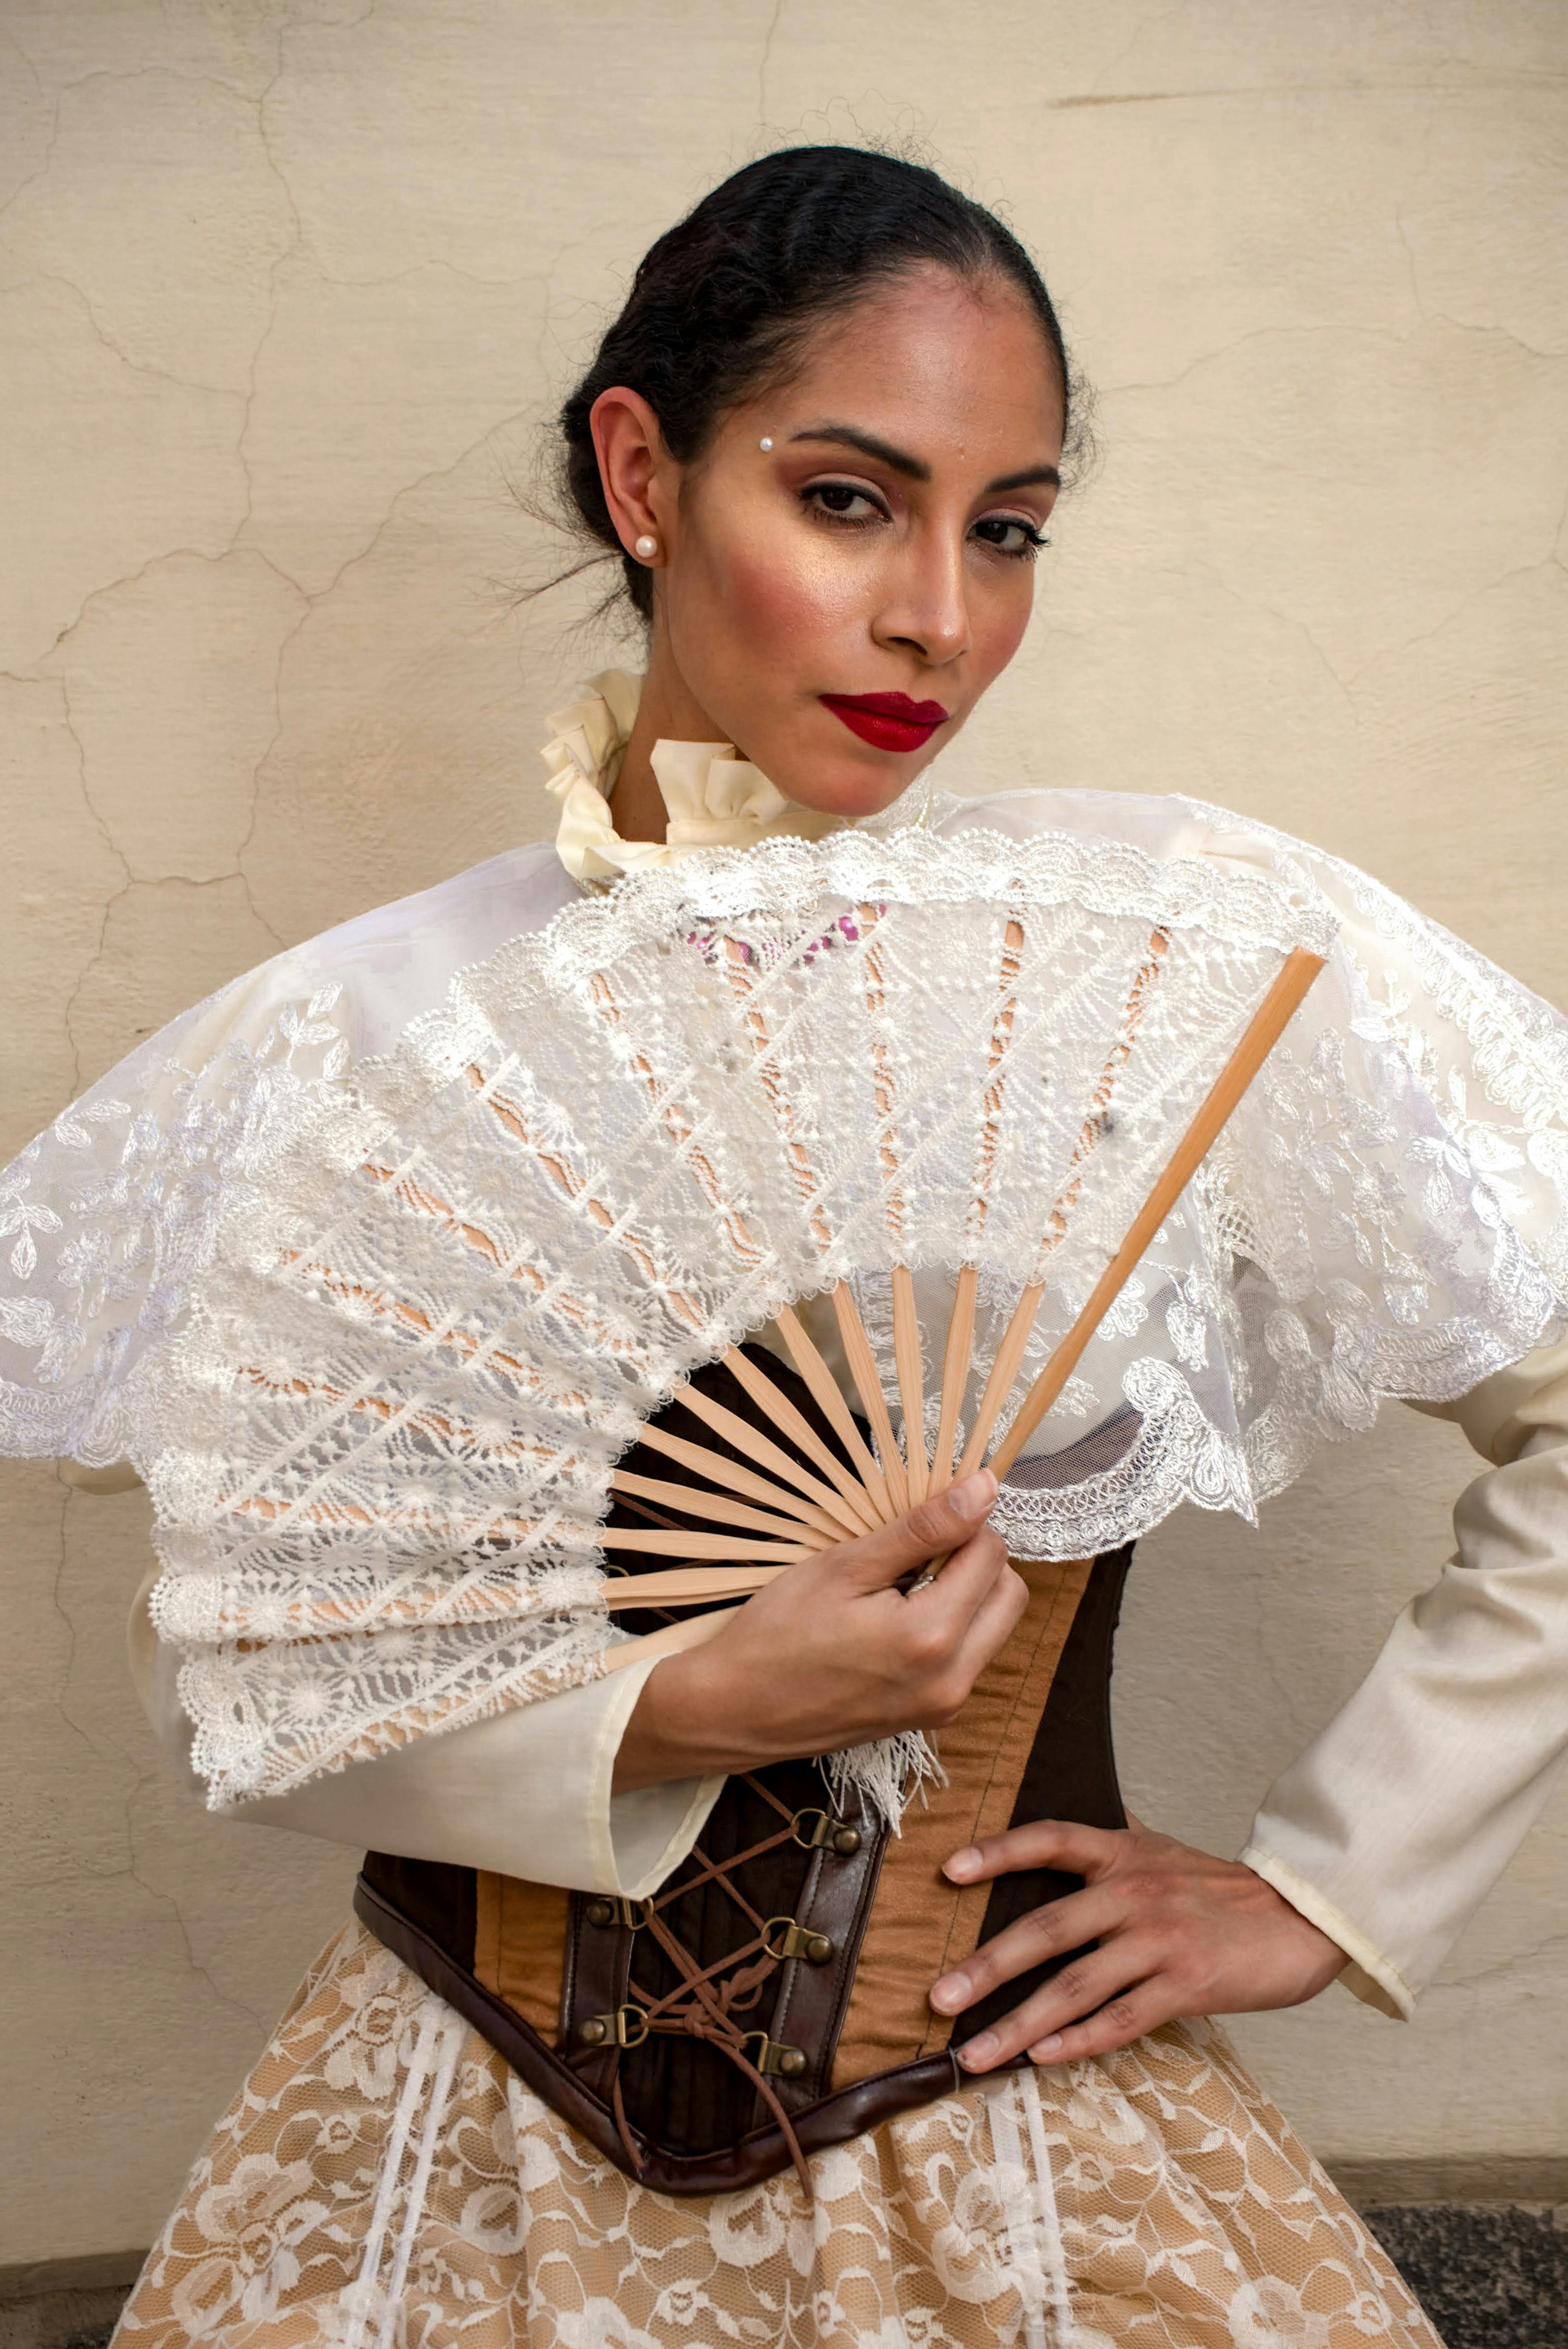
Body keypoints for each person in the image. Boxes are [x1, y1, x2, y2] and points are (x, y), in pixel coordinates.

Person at [4, 146, 1564, 2348]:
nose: (944, 613)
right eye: (850, 501)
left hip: (1016, 2143)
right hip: (454, 2151)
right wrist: (680, 1711)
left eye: (1005, 527)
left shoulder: (1150, 974)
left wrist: (1330, 1884)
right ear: (645, 473)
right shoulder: (370, 1040)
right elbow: (236, 1680)